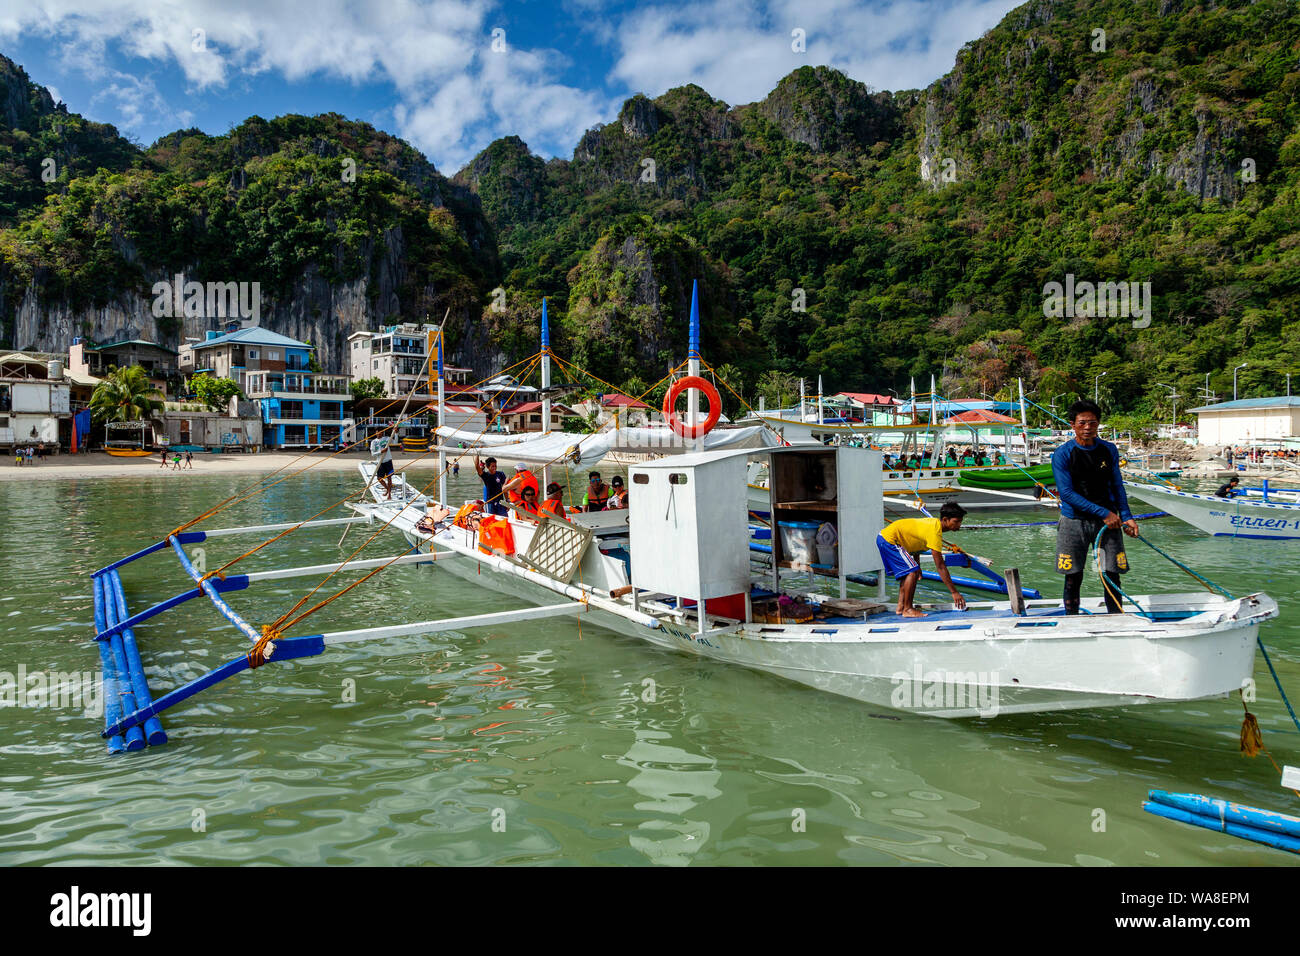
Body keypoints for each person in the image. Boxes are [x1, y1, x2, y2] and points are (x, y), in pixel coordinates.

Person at [1051, 399, 1138, 615]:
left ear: (1098, 423)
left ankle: (1116, 618)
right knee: (1073, 575)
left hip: (1109, 521)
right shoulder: (1063, 454)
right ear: (1072, 425)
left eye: (1092, 423)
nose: (1088, 428)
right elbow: (1067, 494)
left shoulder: (1108, 450)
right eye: (1082, 423)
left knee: (1111, 573)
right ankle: (1072, 620)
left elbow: (1117, 484)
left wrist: (1126, 515)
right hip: (1074, 521)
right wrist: (1105, 513)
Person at [875, 503, 968, 617]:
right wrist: (954, 592)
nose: (959, 525)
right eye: (956, 521)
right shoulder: (935, 532)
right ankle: (908, 609)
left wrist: (917, 564)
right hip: (889, 540)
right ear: (945, 519)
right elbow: (940, 566)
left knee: (910, 572)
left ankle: (901, 607)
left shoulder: (933, 524)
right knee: (912, 572)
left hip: (885, 538)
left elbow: (916, 541)